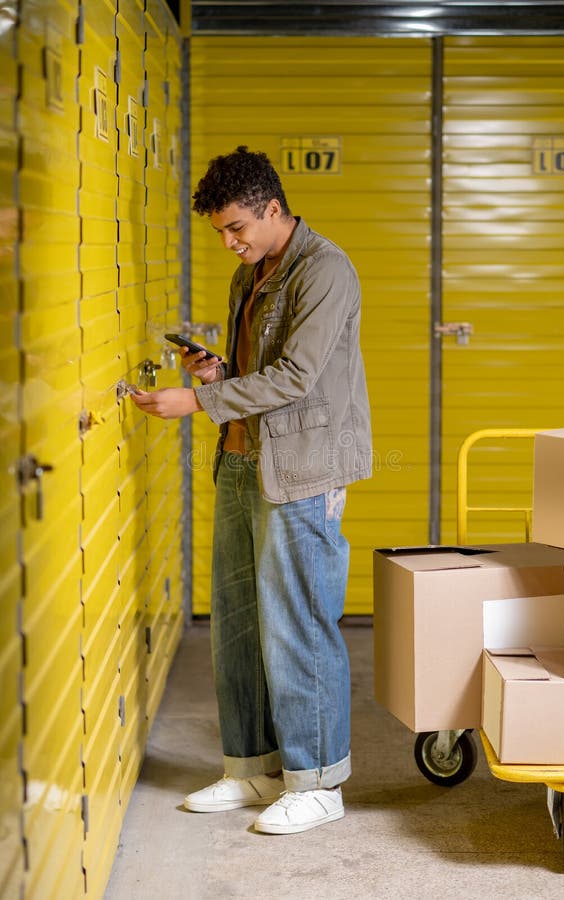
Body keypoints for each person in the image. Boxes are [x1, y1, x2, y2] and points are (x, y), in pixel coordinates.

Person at [131, 145, 372, 834]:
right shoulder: (250, 274)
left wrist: (195, 402)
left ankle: (318, 782)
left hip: (301, 469)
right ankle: (253, 768)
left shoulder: (324, 269)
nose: (229, 243)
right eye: (220, 232)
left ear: (272, 208)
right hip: (243, 459)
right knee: (238, 624)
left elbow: (295, 376)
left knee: (298, 622)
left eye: (236, 228)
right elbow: (256, 373)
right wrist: (217, 376)